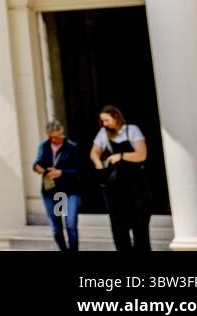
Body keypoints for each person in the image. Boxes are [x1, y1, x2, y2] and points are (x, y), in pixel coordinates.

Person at [90, 104, 152, 251]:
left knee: (140, 229)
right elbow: (94, 153)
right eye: (102, 121)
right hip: (115, 188)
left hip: (136, 187)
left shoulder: (132, 130)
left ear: (116, 117)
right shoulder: (103, 133)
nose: (104, 124)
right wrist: (99, 166)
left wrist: (121, 156)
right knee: (119, 229)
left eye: (106, 120)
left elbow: (141, 154)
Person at [33, 118, 83, 251]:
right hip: (52, 191)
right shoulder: (44, 146)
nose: (54, 140)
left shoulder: (72, 147)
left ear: (61, 132)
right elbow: (37, 163)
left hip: (69, 191)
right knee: (56, 228)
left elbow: (79, 170)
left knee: (71, 224)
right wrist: (40, 169)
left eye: (56, 137)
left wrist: (61, 173)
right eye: (51, 137)